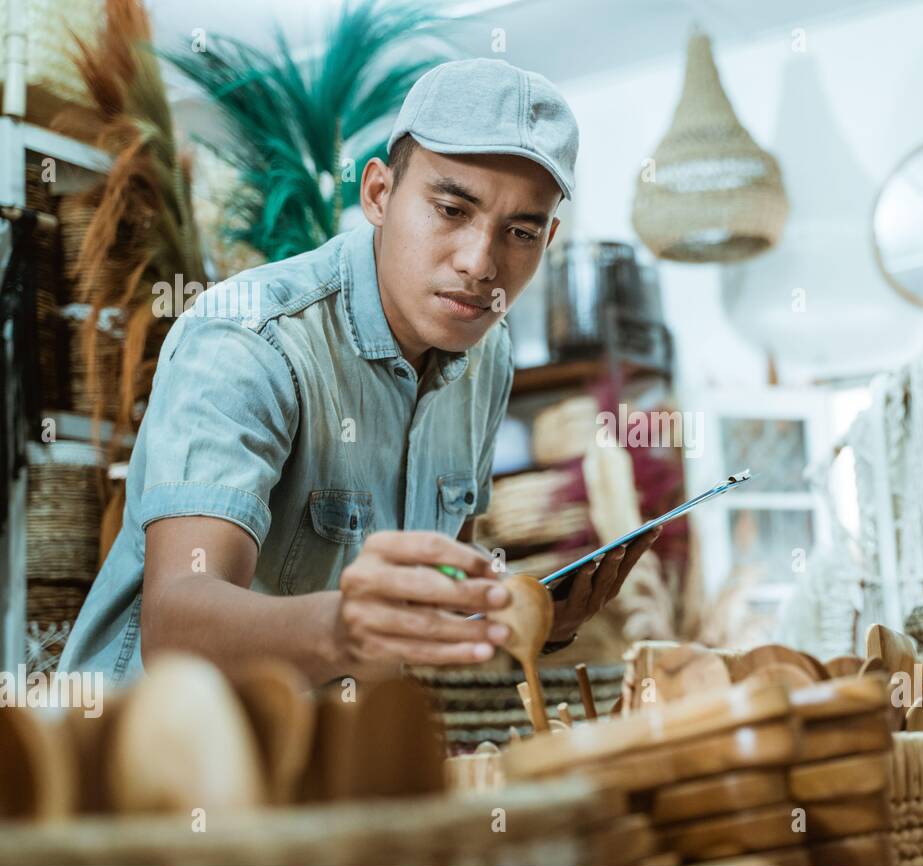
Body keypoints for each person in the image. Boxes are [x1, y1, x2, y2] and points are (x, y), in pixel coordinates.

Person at [58, 58, 659, 686]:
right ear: (378, 194)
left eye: (519, 232)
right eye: (452, 210)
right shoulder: (250, 339)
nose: (481, 264)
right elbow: (178, 626)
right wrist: (344, 627)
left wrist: (531, 615)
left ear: (548, 237)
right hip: (147, 761)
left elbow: (445, 578)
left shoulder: (488, 356)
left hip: (321, 761)